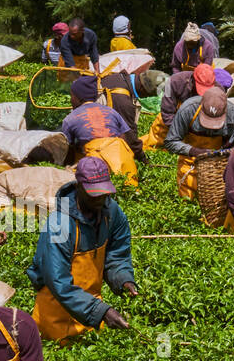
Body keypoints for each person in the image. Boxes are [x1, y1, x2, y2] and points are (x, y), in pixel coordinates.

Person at [27, 157, 137, 341]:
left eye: (104, 193)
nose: (101, 199)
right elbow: (58, 282)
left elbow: (117, 254)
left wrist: (124, 279)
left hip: (91, 317)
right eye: (94, 194)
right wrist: (102, 311)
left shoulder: (111, 212)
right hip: (55, 319)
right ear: (79, 187)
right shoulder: (59, 224)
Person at [165, 88, 234, 199]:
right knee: (186, 202)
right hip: (189, 165)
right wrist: (194, 151)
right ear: (201, 105)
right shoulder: (188, 109)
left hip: (217, 170)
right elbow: (170, 141)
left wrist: (225, 154)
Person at [59, 87, 139, 187]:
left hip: (96, 165)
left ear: (77, 97)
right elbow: (125, 137)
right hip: (122, 158)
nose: (70, 99)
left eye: (72, 96)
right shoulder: (111, 111)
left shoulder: (70, 118)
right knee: (129, 188)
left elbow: (66, 150)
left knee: (97, 190)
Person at [72, 74, 145, 164]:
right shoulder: (123, 101)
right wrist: (142, 158)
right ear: (141, 88)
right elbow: (129, 134)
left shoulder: (119, 77)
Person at [140, 64, 214, 150]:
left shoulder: (216, 87)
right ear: (193, 79)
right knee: (156, 142)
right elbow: (167, 112)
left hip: (196, 123)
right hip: (173, 118)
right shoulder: (174, 82)